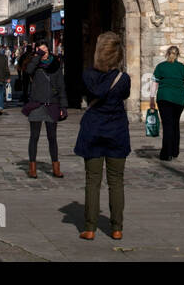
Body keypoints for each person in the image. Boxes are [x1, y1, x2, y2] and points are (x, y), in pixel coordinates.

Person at [74, 32, 131, 240]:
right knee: (116, 181)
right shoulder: (123, 79)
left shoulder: (88, 76)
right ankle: (117, 228)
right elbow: (123, 95)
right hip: (116, 130)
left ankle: (90, 228)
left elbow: (88, 94)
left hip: (93, 130)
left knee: (92, 180)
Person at [22, 41, 67, 178]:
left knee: (52, 137)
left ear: (49, 50)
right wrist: (36, 57)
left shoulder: (56, 65)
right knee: (34, 137)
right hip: (37, 104)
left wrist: (63, 106)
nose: (43, 53)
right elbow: (28, 71)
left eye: (45, 50)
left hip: (52, 105)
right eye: (40, 51)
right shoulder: (34, 65)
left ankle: (56, 167)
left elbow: (61, 86)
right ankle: (32, 168)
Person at [150, 46, 184, 161]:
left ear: (167, 54)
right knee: (175, 124)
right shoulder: (182, 68)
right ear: (178, 55)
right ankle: (175, 151)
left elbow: (154, 84)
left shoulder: (160, 67)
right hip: (178, 100)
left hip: (164, 98)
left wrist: (151, 100)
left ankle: (166, 153)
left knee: (167, 125)